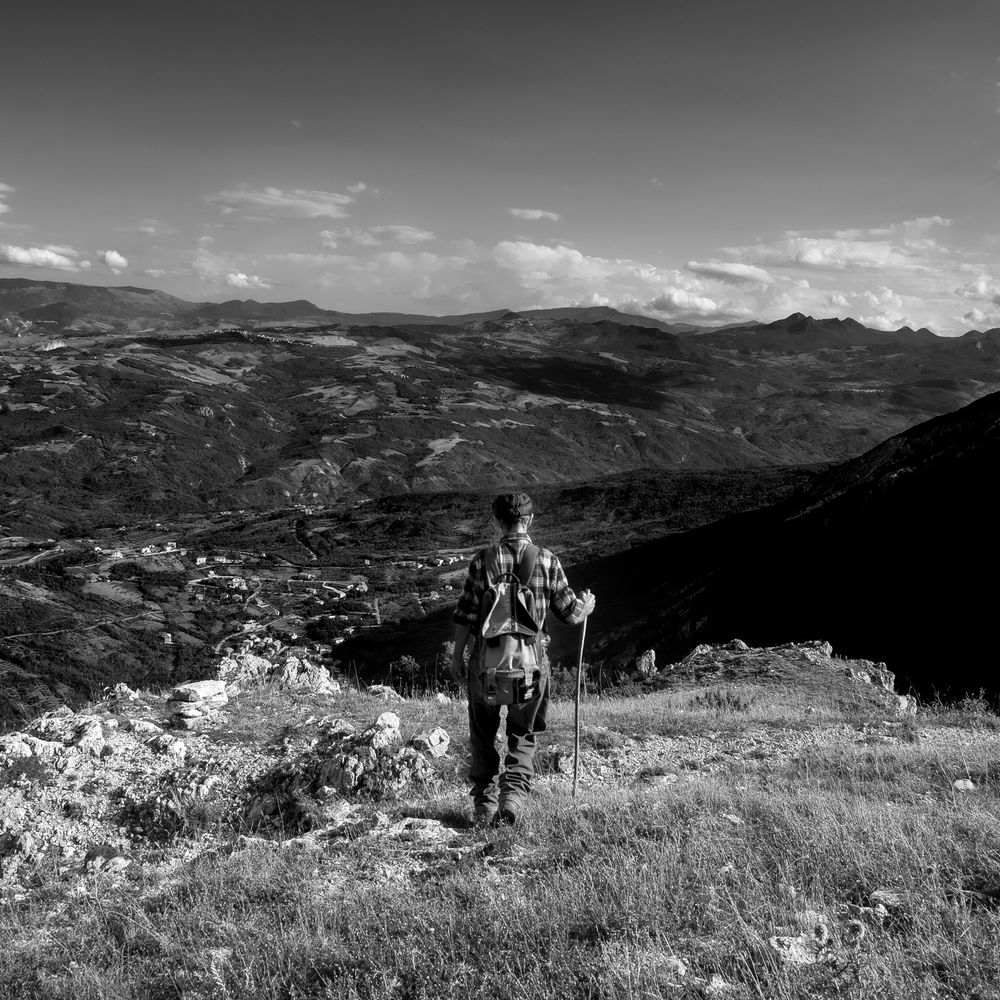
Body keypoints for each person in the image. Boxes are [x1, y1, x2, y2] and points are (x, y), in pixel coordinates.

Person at [451, 491, 596, 827]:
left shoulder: (482, 561)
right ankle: (512, 798)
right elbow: (570, 614)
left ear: (497, 522)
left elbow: (465, 616)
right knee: (523, 732)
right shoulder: (547, 560)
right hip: (530, 665)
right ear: (529, 519)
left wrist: (457, 657)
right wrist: (587, 605)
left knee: (483, 733)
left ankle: (484, 806)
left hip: (485, 665)